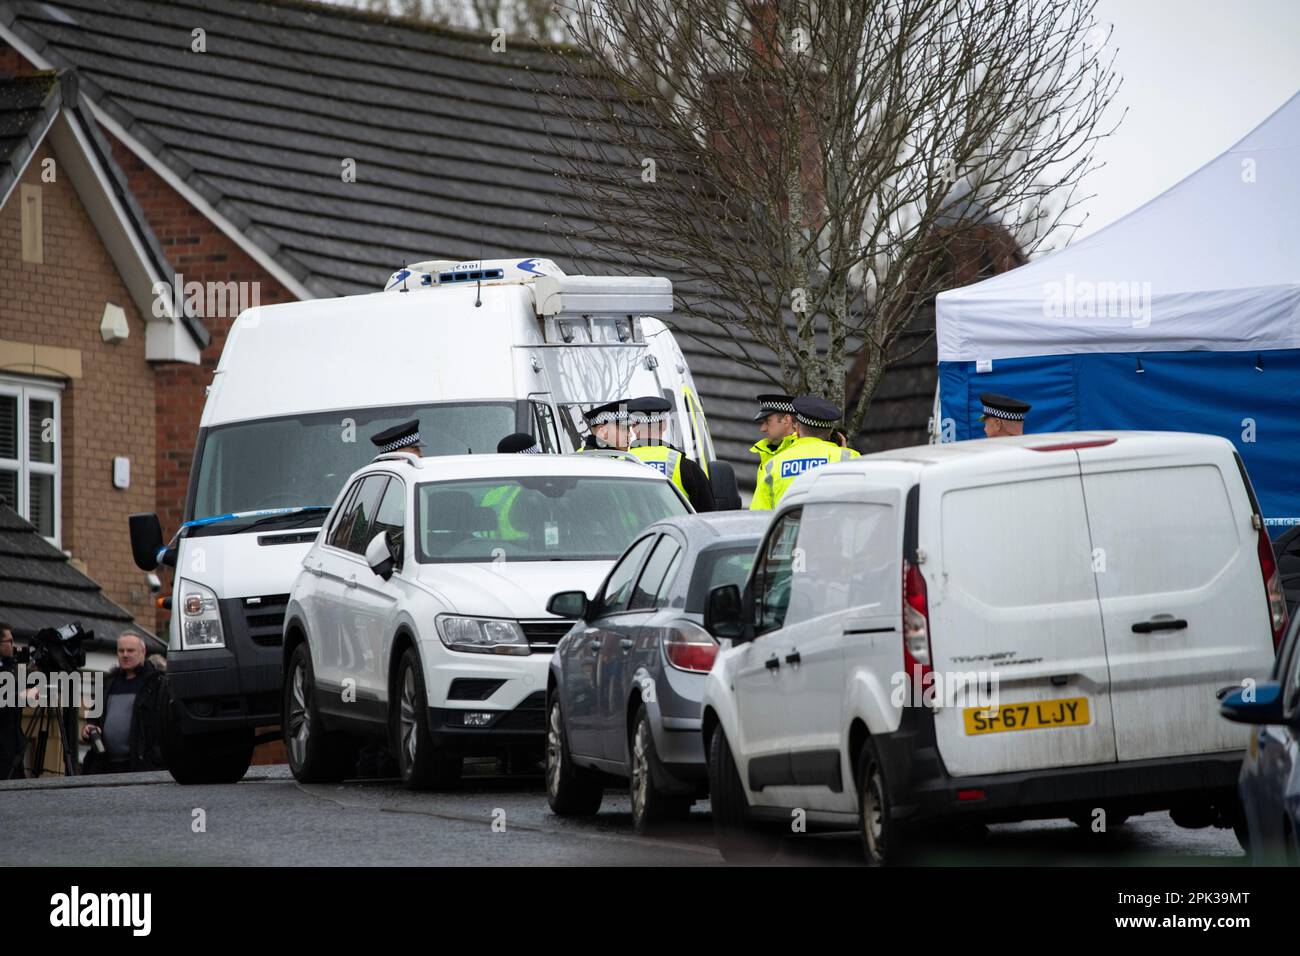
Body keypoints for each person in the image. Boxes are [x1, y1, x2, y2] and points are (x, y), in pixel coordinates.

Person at [750, 396, 860, 511]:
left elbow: (758, 515)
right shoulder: (848, 459)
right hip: (831, 528)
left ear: (797, 428)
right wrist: (847, 455)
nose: (763, 428)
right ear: (830, 432)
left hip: (789, 528)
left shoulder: (773, 465)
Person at [81, 632, 165, 774]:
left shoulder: (156, 683)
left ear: (143, 652)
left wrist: (154, 760)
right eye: (121, 650)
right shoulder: (108, 683)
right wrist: (89, 728)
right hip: (105, 767)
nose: (125, 654)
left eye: (131, 650)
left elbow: (165, 726)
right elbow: (93, 718)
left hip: (142, 768)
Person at [625, 396, 715, 511]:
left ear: (633, 427)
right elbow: (707, 514)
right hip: (673, 529)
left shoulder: (618, 463)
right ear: (664, 425)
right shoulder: (685, 466)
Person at [750, 393, 798, 487]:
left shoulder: (801, 453)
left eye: (768, 421)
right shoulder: (769, 452)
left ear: (786, 420)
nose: (762, 429)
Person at [0, 622, 25, 779]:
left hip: (12, 748)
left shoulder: (9, 668)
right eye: (9, 641)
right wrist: (19, 697)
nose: (13, 645)